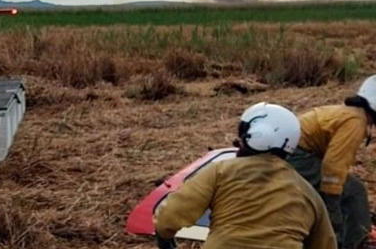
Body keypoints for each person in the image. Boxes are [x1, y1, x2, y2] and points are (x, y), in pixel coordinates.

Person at [154, 102, 336, 249]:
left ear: (249, 135)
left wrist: (165, 239)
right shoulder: (308, 192)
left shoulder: (220, 171)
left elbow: (168, 219)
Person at [286, 75, 376, 249]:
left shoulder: (351, 113)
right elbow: (333, 166)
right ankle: (355, 243)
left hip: (293, 150)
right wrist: (333, 203)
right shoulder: (355, 122)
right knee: (354, 192)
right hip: (297, 155)